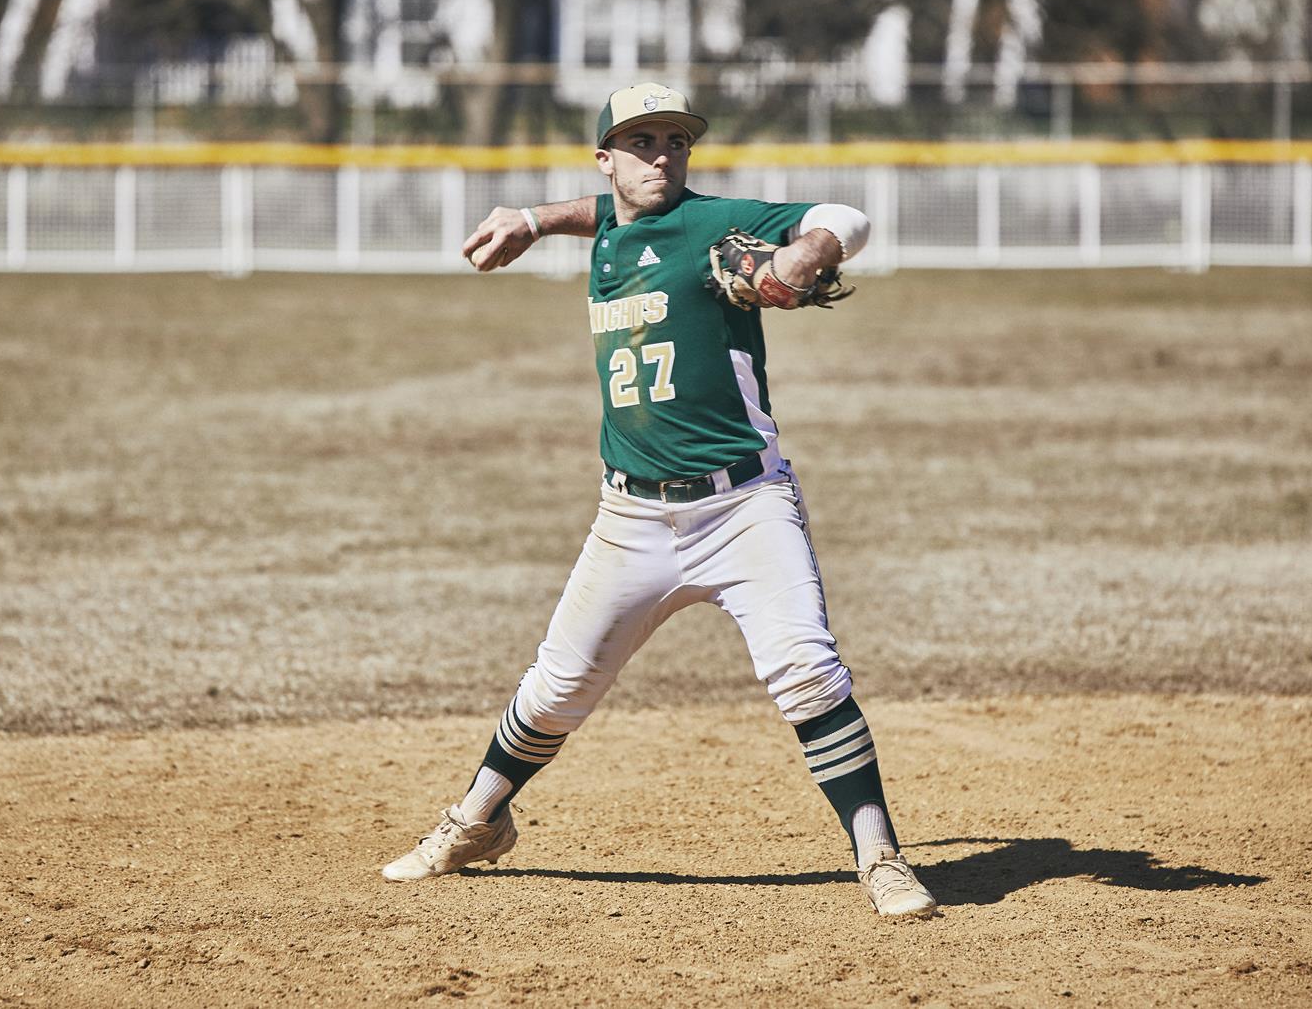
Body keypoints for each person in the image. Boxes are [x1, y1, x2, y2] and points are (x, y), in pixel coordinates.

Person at [380, 83, 936, 917]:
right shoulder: (610, 229)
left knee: (808, 673)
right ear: (607, 158)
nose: (662, 155)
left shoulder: (714, 223)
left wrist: (804, 254)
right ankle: (477, 822)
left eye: (674, 140)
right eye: (640, 142)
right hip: (631, 516)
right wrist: (530, 220)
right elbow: (601, 216)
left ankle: (879, 856)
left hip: (745, 507)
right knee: (557, 688)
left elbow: (847, 216)